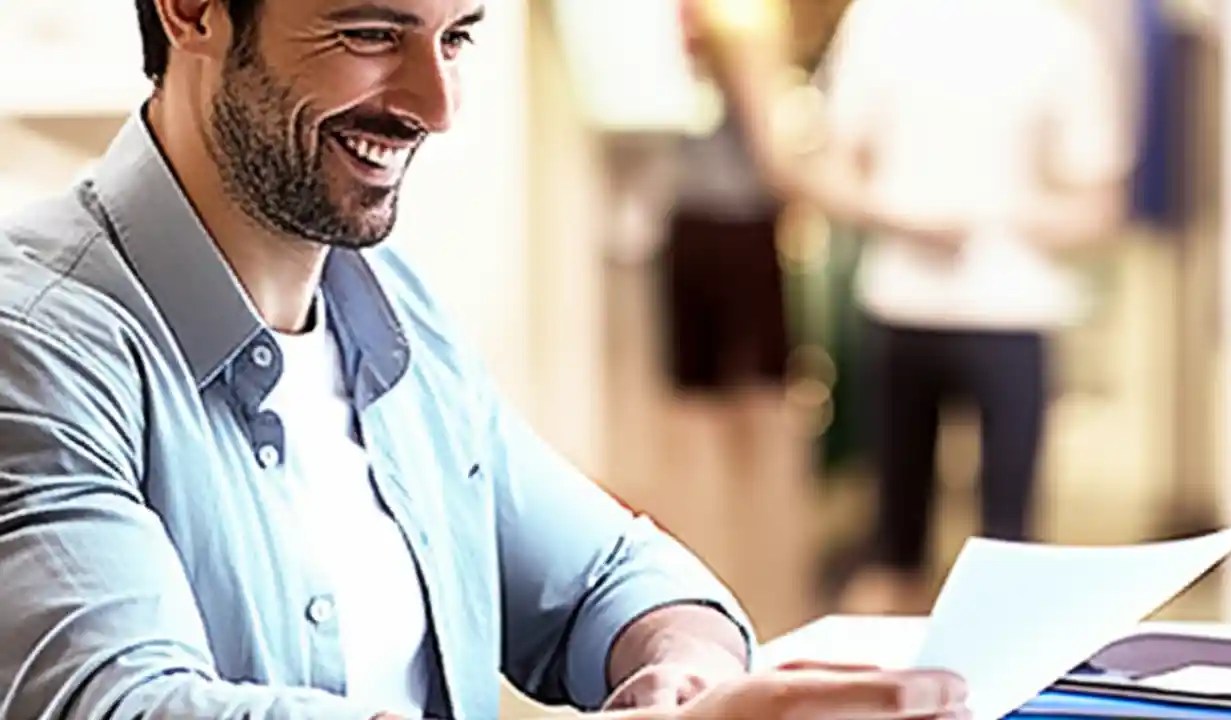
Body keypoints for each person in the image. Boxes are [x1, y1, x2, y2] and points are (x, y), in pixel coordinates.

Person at [0, 0, 968, 718]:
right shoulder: (36, 339)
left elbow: (610, 576)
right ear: (193, 12)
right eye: (372, 34)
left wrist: (685, 677)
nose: (437, 103)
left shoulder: (397, 313)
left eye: (455, 36)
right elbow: (119, 704)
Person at [685, 0, 1131, 614]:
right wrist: (902, 217)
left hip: (1013, 314)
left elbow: (1099, 205)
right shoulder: (881, 22)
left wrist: (990, 220)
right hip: (897, 308)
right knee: (892, 552)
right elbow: (827, 169)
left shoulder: (1061, 40)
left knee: (1011, 550)